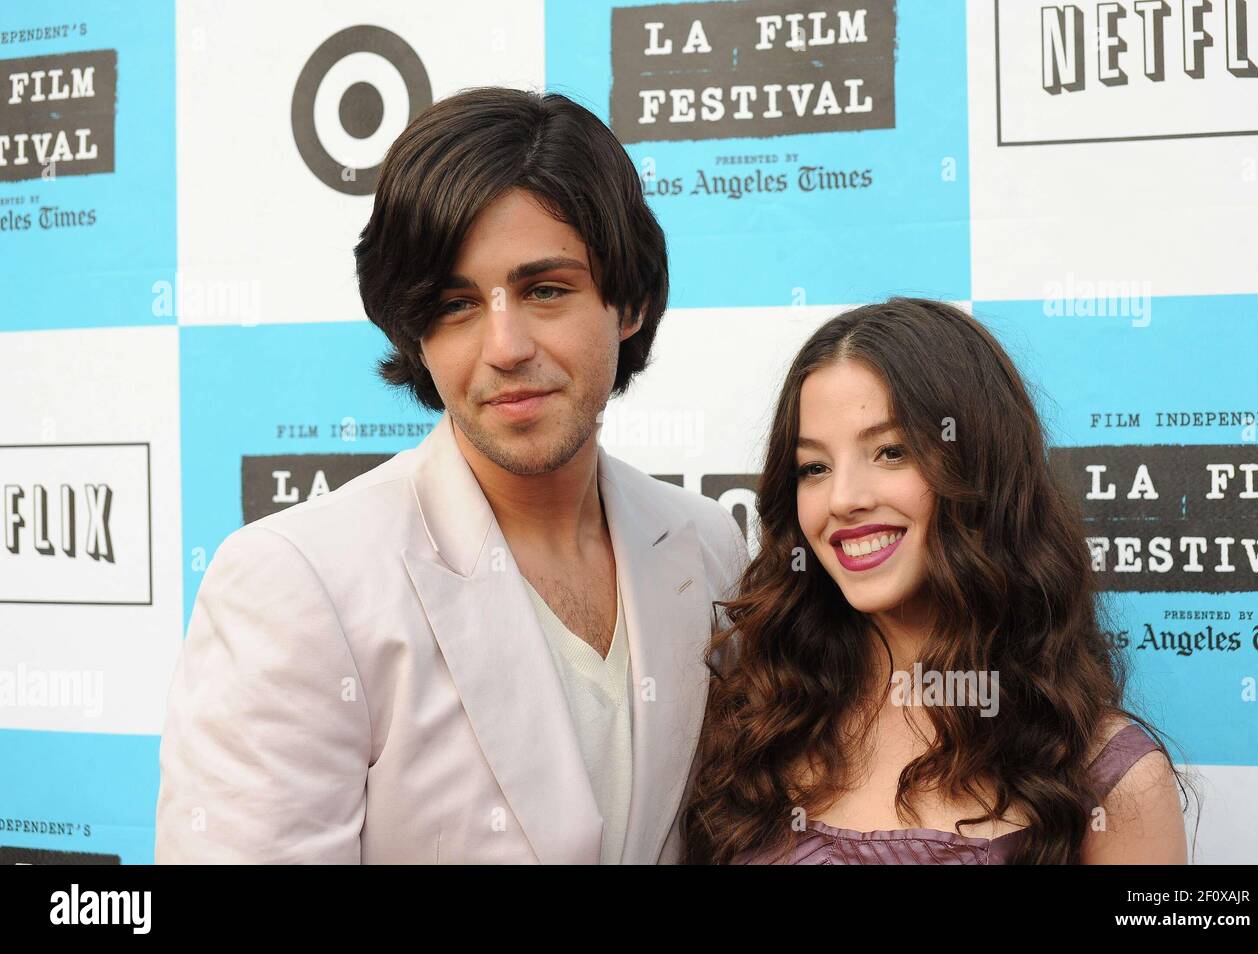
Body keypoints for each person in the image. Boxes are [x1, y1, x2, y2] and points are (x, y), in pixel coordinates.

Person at [155, 87, 748, 864]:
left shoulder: (708, 545)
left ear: (628, 301)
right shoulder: (298, 583)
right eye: (457, 304)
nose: (505, 346)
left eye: (544, 289)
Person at [681, 297, 1196, 865]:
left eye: (891, 452)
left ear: (981, 466)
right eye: (815, 468)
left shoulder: (1107, 774)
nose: (845, 499)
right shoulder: (751, 725)